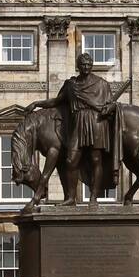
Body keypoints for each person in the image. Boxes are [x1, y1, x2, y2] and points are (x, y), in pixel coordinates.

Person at [27, 52, 116, 204]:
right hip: (78, 122)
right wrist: (37, 103)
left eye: (89, 64)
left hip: (96, 123)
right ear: (78, 66)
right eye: (83, 64)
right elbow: (56, 101)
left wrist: (109, 108)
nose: (86, 67)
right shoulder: (71, 85)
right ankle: (70, 198)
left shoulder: (102, 84)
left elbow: (111, 104)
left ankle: (93, 197)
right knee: (70, 160)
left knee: (96, 160)